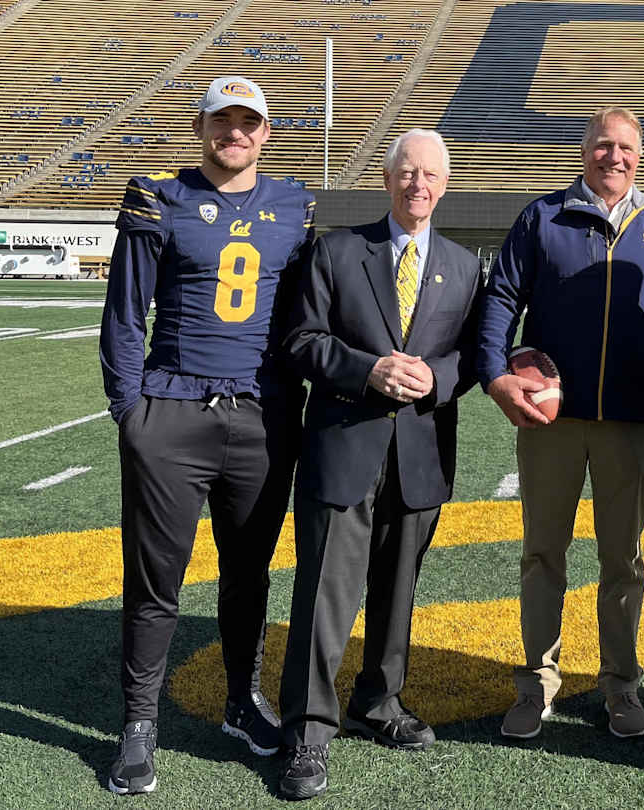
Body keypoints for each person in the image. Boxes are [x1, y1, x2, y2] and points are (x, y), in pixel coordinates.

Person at [98, 75, 314, 795]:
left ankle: (239, 703)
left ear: (266, 132)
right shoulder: (160, 195)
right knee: (156, 582)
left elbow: (302, 316)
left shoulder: (292, 204)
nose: (236, 134)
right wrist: (132, 411)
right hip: (173, 411)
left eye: (248, 122)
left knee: (249, 573)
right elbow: (126, 315)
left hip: (260, 415)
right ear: (201, 127)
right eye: (223, 121)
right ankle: (138, 725)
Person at [476, 106, 644, 739]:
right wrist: (495, 375)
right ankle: (535, 682)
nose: (614, 157)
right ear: (585, 149)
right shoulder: (542, 217)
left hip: (630, 421)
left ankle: (620, 685)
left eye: (626, 146)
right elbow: (500, 301)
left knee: (623, 560)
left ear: (641, 153)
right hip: (550, 421)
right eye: (603, 145)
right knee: (542, 553)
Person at [276, 129, 482, 801]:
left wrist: (436, 376)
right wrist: (370, 370)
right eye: (406, 173)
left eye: (429, 174)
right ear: (387, 181)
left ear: (444, 185)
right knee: (325, 596)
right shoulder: (338, 250)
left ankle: (379, 701)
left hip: (420, 454)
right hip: (344, 446)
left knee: (399, 591)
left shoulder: (463, 263)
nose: (417, 184)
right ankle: (307, 730)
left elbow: (474, 356)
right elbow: (301, 341)